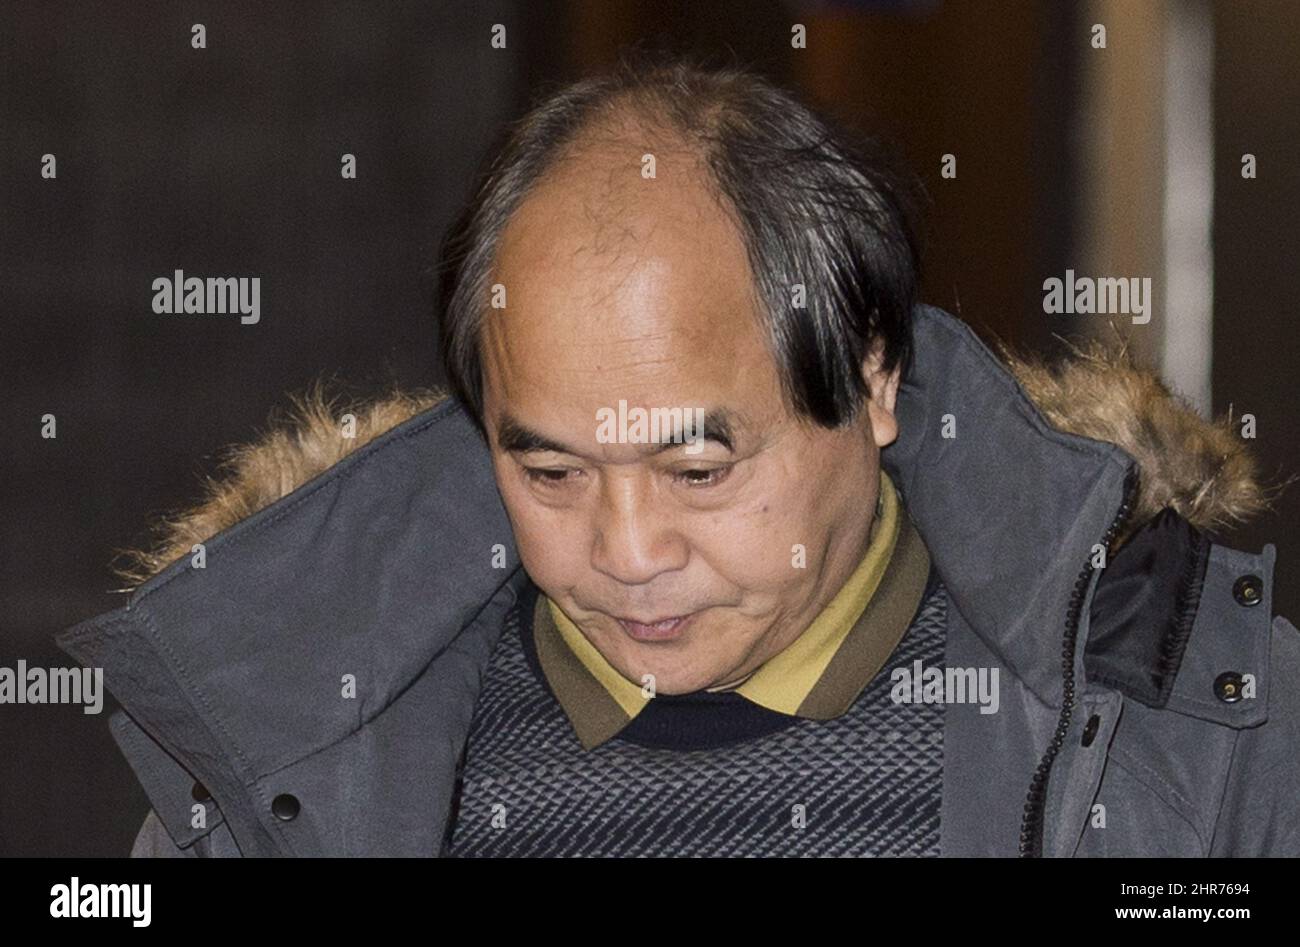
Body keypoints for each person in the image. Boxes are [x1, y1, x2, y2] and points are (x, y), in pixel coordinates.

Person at [59, 55, 1299, 857]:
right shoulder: (286, 731)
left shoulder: (1192, 723)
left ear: (871, 382)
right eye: (549, 474)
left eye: (698, 470)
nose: (626, 555)